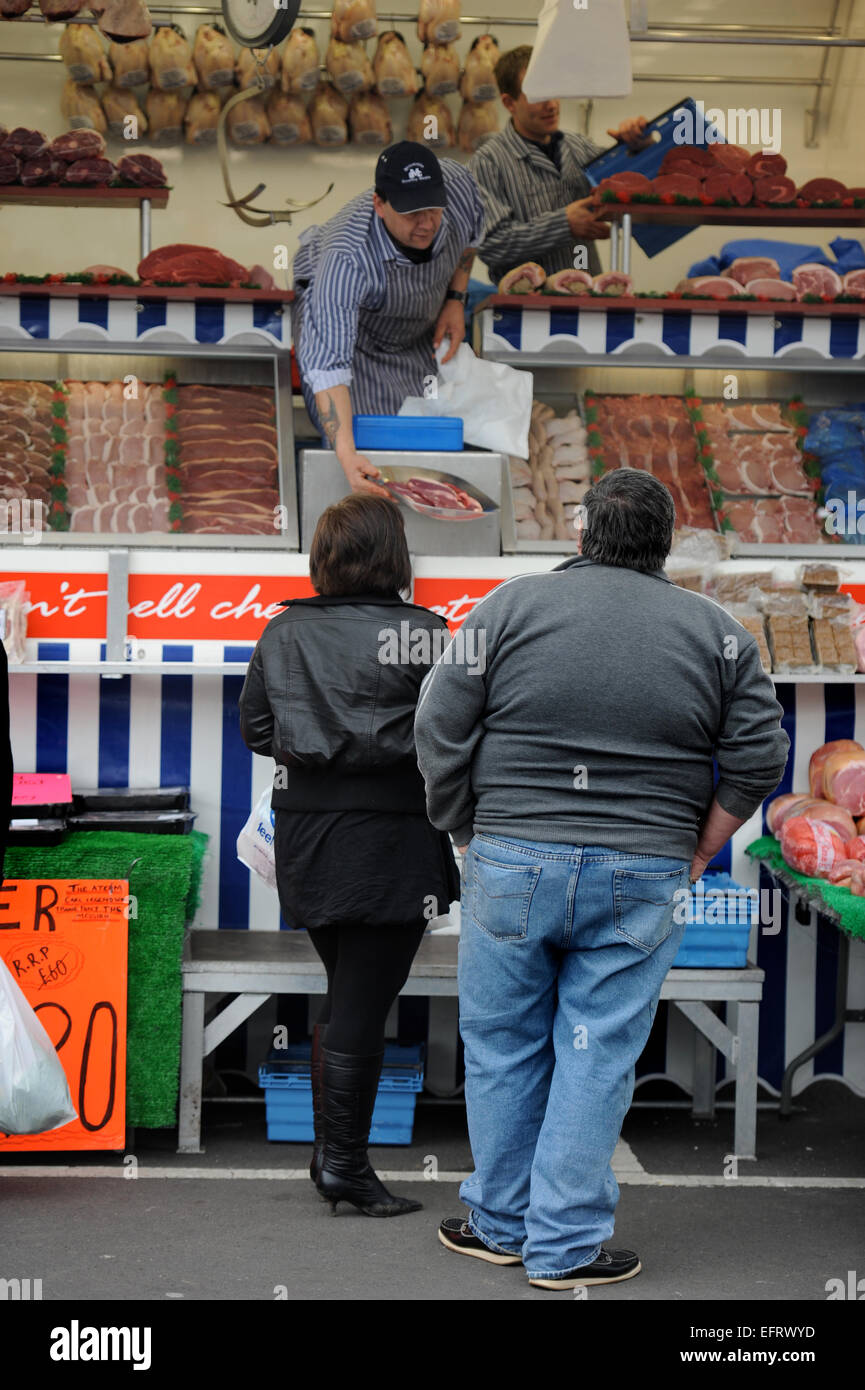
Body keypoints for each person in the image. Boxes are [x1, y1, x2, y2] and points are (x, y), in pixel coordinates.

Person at [414, 469, 789, 1289]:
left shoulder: (508, 607)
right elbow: (761, 756)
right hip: (644, 866)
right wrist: (699, 848)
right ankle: (564, 1246)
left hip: (511, 860)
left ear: (580, 537)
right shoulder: (715, 630)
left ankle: (499, 1223)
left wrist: (467, 830)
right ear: (661, 549)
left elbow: (436, 726)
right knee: (596, 1052)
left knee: (502, 1045)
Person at [239, 494, 459, 1218]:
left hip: (306, 835)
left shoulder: (281, 632)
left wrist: (323, 752)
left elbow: (258, 729)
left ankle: (331, 1156)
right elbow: (450, 738)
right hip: (390, 839)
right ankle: (343, 1167)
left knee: (348, 992)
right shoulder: (426, 633)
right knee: (362, 999)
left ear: (324, 557)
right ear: (394, 556)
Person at [291, 140, 484, 497]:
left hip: (414, 330)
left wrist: (456, 299)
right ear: (380, 204)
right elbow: (329, 367)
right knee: (367, 450)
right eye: (412, 213)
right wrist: (347, 455)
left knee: (422, 440)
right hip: (356, 340)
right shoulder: (345, 257)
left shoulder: (457, 184)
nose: (427, 224)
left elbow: (469, 238)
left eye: (433, 209)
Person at [469, 44, 649, 286]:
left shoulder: (580, 148)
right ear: (509, 103)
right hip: (526, 312)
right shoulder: (487, 163)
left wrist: (636, 147)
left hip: (589, 300)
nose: (552, 104)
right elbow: (492, 246)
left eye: (553, 91)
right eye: (537, 96)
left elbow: (637, 189)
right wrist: (564, 224)